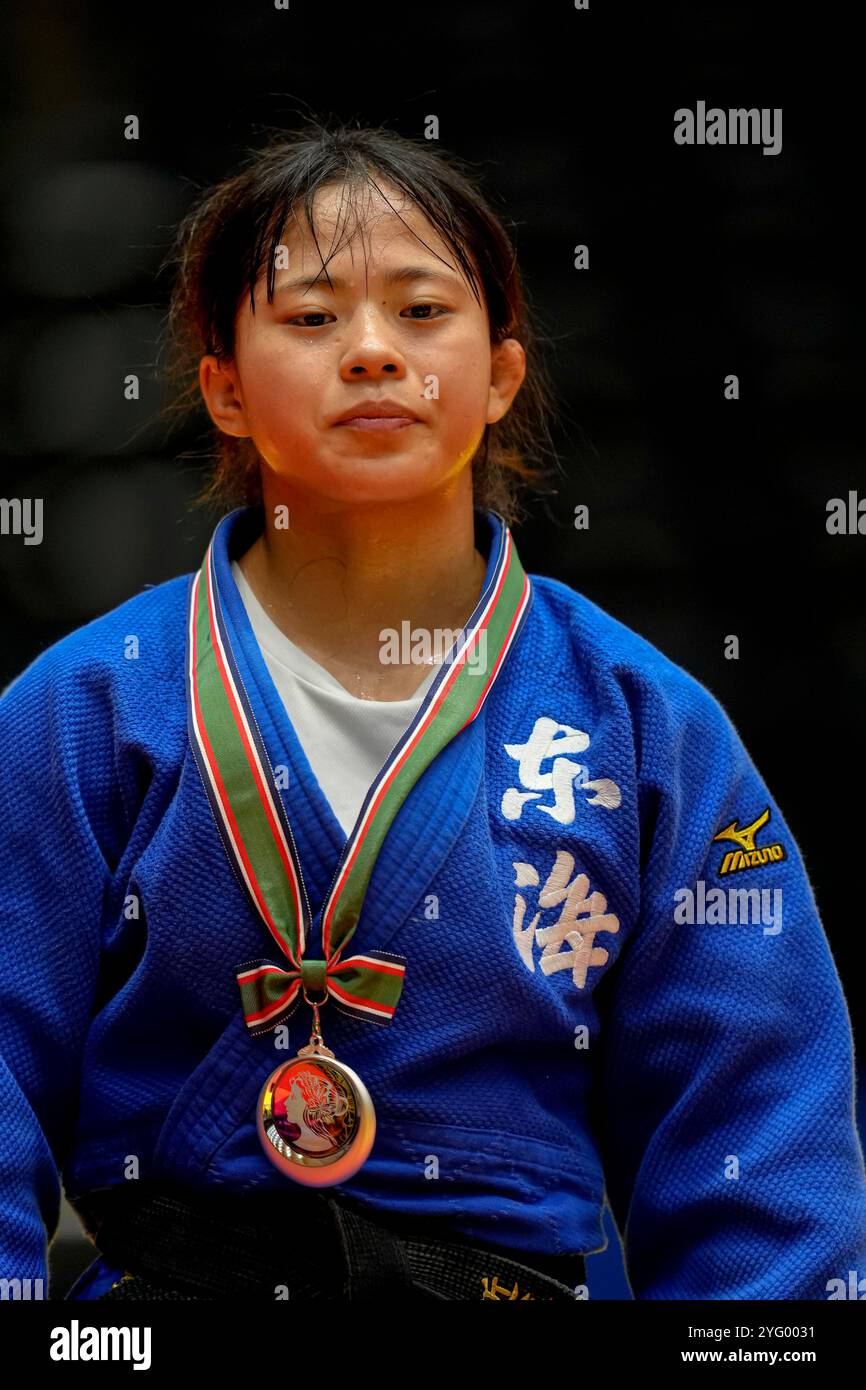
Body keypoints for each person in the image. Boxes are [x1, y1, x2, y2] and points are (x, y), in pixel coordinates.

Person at [1, 120, 865, 1303]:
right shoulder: (84, 707)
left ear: (501, 370)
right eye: (310, 318)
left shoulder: (642, 725)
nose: (368, 352)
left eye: (420, 311)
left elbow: (761, 1135)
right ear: (225, 387)